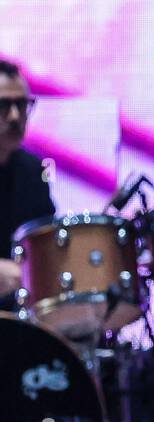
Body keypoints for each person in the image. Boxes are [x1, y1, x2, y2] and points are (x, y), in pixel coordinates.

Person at [0, 58, 54, 312]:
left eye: (22, 105)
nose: (14, 116)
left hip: (21, 316)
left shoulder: (33, 170)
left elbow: (47, 245)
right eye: (3, 106)